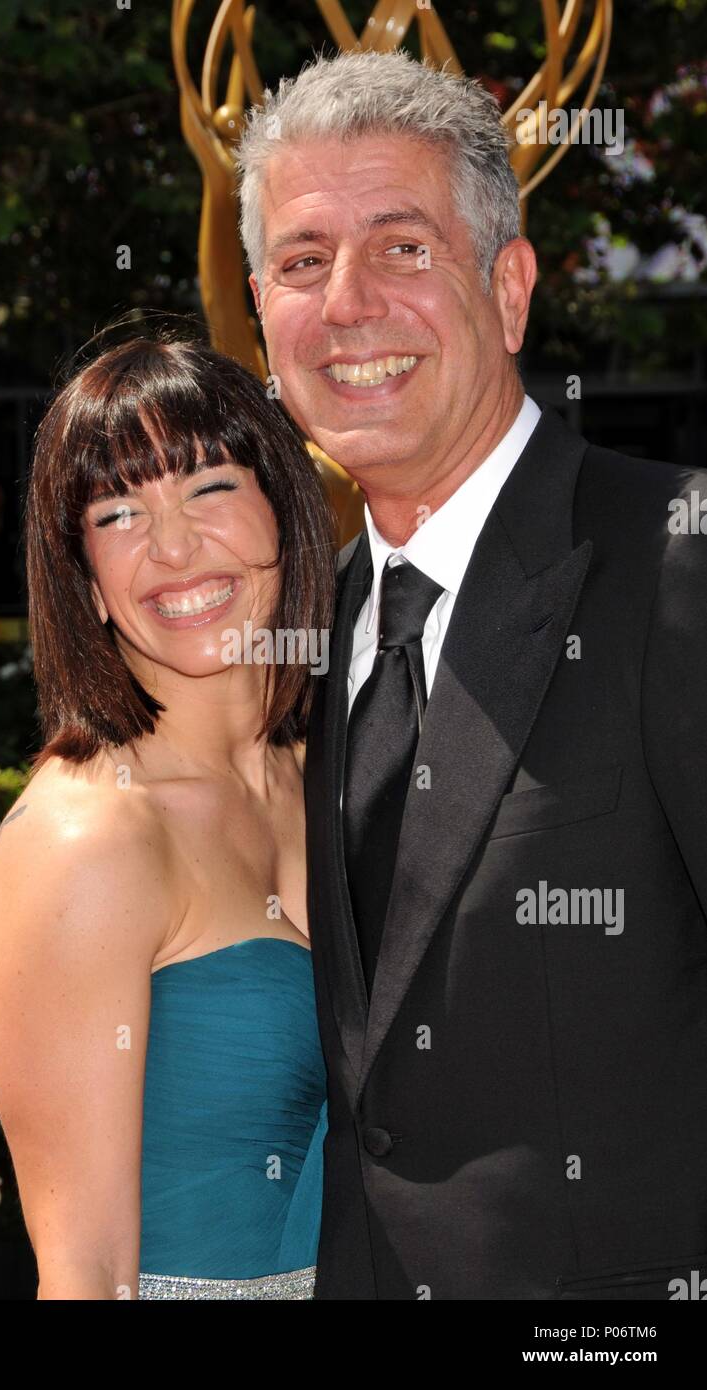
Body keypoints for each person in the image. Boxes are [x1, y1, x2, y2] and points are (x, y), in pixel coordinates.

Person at [235, 48, 707, 1299]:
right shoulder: (299, 629)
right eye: (300, 260)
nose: (345, 303)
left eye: (402, 247)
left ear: (507, 288)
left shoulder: (676, 569)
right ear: (259, 311)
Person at [0, 336, 336, 1299]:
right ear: (86, 579)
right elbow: (84, 1272)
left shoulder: (352, 770)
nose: (172, 548)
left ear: (284, 511)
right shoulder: (84, 840)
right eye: (118, 511)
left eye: (210, 488)